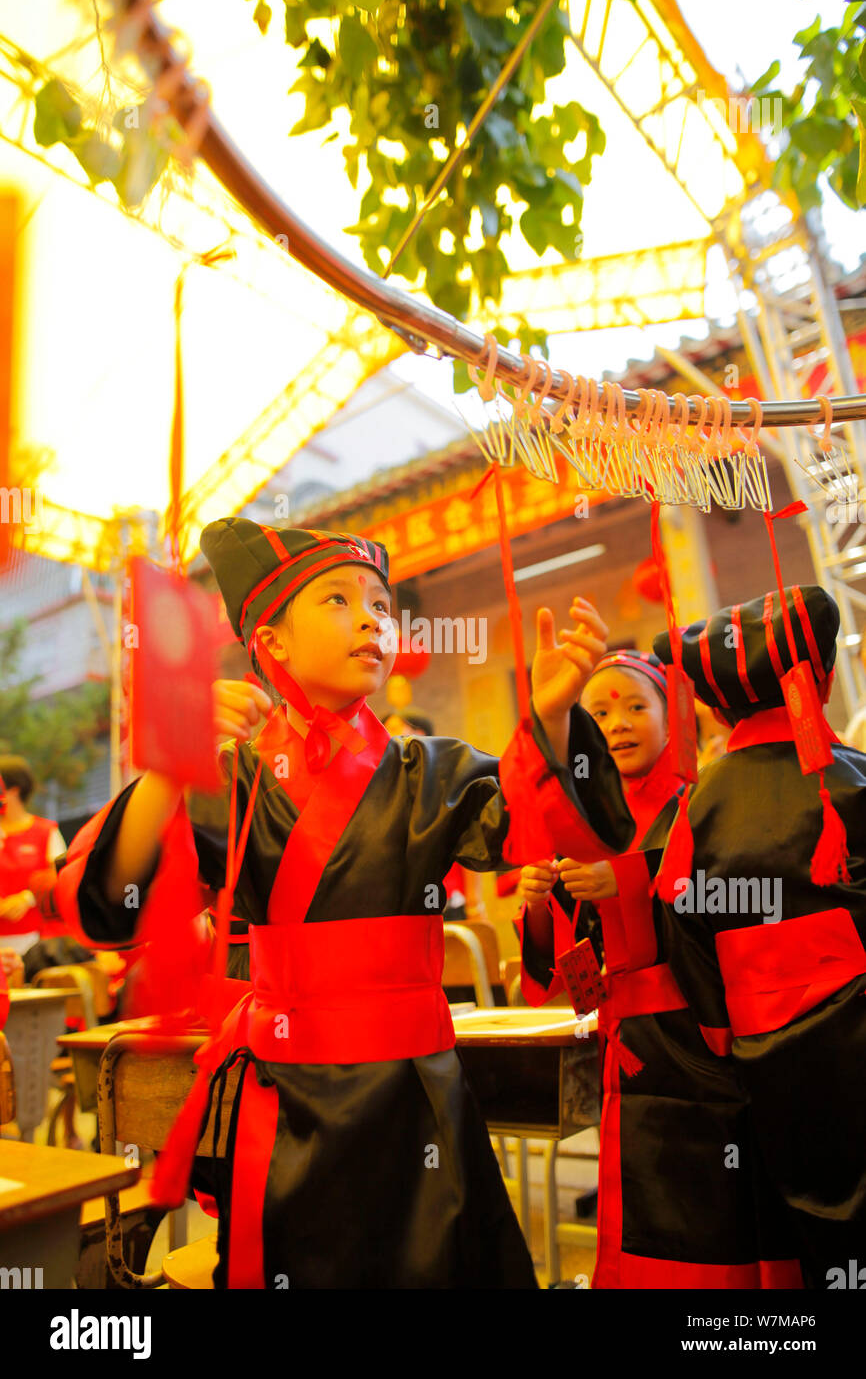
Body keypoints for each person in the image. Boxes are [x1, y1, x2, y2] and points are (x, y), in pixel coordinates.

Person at [50, 518, 628, 1289]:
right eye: (337, 599)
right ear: (272, 641)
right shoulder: (231, 780)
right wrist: (167, 769)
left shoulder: (435, 770)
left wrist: (552, 720)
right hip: (287, 1104)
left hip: (419, 1096)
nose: (372, 619)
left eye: (382, 605)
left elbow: (540, 837)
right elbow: (109, 910)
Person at [516, 646, 799, 1288]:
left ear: (674, 719)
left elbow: (736, 902)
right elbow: (557, 966)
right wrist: (540, 903)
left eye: (635, 706)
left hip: (706, 1038)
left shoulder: (706, 802)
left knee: (722, 1208)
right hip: (630, 1045)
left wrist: (622, 879)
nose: (617, 723)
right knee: (645, 1205)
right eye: (600, 713)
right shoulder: (582, 824)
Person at [653, 585, 866, 1290]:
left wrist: (725, 1042)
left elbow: (686, 942)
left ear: (716, 707)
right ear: (824, 678)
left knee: (806, 1237)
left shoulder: (691, 813)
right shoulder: (855, 783)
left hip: (761, 1058)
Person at [383, 707, 486, 920]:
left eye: (394, 727)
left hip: (447, 900)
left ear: (421, 735)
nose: (386, 734)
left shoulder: (445, 783)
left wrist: (475, 902)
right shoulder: (386, 788)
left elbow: (468, 842)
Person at [0, 756, 66, 957]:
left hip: (37, 942)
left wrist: (26, 899)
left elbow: (61, 876)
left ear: (14, 790)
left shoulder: (46, 831)